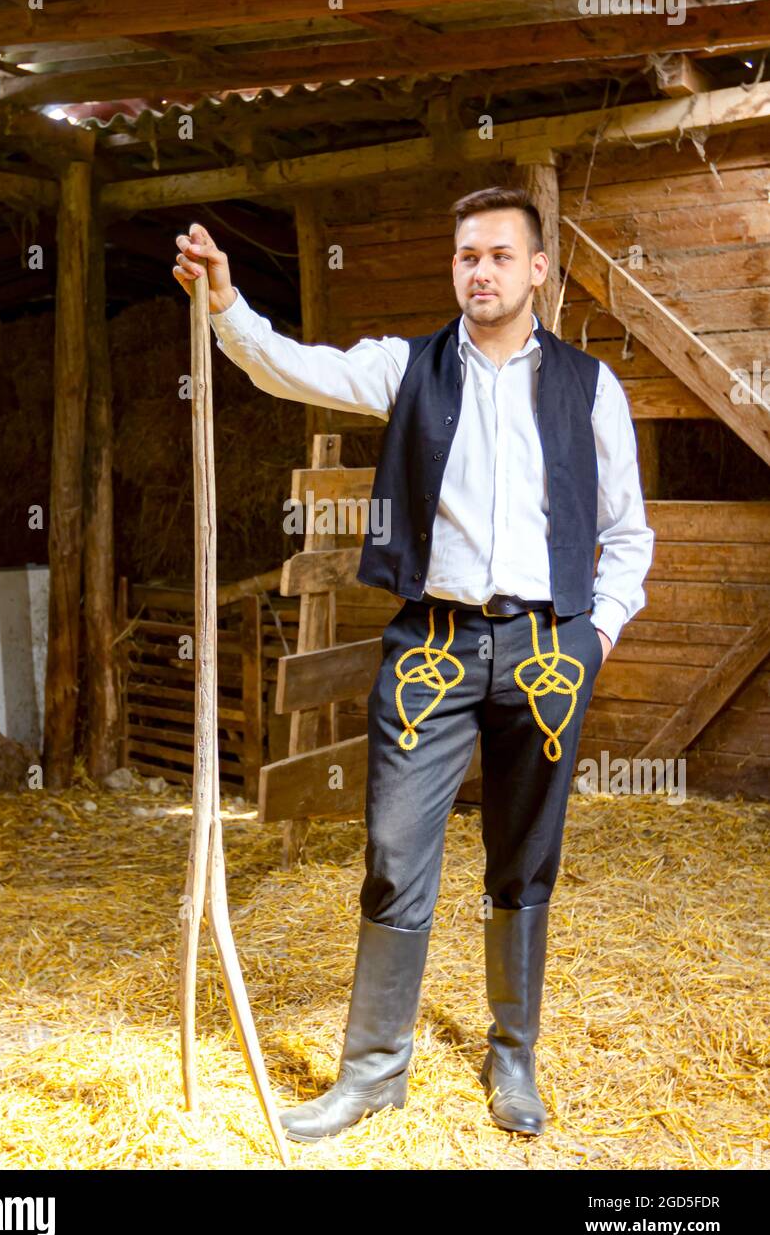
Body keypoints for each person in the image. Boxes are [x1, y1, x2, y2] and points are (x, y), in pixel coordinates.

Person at [172, 186, 654, 1144]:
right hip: (431, 645)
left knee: (525, 856)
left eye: (501, 256)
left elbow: (627, 534)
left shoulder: (591, 388)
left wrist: (594, 637)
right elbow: (291, 368)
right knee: (395, 852)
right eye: (468, 255)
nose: (482, 271)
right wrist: (226, 306)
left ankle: (513, 1060)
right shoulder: (408, 367)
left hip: (547, 650)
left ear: (538, 270)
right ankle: (372, 1076)